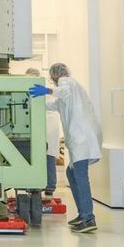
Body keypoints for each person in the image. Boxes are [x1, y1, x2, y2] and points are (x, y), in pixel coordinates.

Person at [29, 63, 103, 233]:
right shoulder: (65, 97)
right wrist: (31, 98)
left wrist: (47, 91)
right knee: (71, 174)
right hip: (78, 141)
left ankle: (88, 218)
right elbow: (52, 104)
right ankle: (83, 214)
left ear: (55, 75)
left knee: (80, 176)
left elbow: (63, 91)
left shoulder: (67, 82)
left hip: (82, 139)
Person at [25, 67, 60, 194]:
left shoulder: (40, 87)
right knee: (47, 155)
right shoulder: (45, 87)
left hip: (46, 123)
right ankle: (48, 185)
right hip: (47, 124)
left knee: (44, 155)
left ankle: (38, 185)